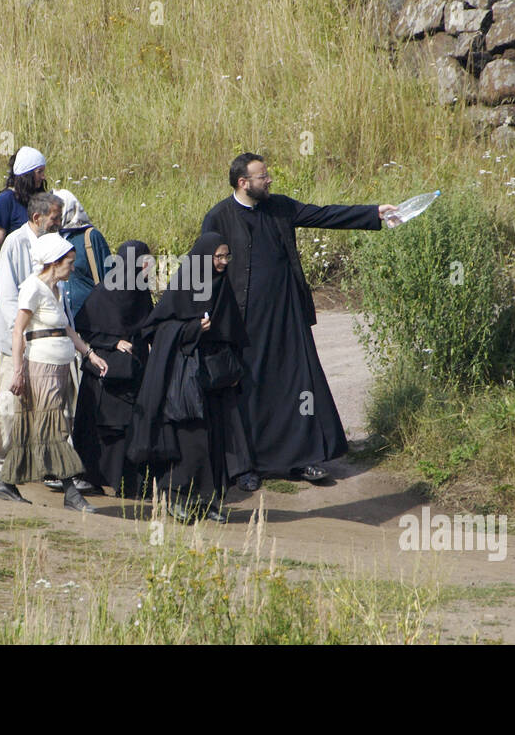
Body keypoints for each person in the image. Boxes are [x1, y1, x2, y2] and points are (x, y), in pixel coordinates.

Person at [201, 153, 398, 490]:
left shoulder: (280, 207)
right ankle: (248, 466)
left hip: (286, 315)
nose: (269, 180)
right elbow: (205, 264)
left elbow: (324, 214)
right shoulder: (219, 217)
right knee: (247, 390)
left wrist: (373, 213)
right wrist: (204, 311)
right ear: (242, 182)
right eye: (262, 176)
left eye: (267, 174)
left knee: (296, 385)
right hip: (244, 322)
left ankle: (302, 460)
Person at [128, 233, 252, 521]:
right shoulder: (185, 285)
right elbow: (158, 329)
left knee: (215, 439)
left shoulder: (222, 287)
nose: (222, 262)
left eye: (226, 256)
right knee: (189, 439)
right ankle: (176, 498)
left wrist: (234, 370)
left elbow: (234, 333)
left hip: (215, 380)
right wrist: (193, 328)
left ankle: (209, 501)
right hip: (184, 377)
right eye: (218, 256)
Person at [0, 232, 110, 512]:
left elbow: (67, 328)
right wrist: (18, 371)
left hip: (58, 366)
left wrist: (90, 353)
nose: (73, 267)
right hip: (40, 366)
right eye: (69, 263)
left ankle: (6, 484)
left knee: (32, 425)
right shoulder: (32, 288)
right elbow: (18, 331)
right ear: (53, 263)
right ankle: (71, 492)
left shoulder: (56, 290)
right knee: (53, 426)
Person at [0, 190, 63, 479]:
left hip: (48, 343)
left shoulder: (55, 245)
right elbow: (6, 299)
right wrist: (22, 339)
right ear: (37, 217)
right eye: (54, 219)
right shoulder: (15, 245)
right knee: (9, 402)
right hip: (18, 342)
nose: (58, 223)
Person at [72, 240, 154, 497]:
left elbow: (147, 325)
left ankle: (127, 483)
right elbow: (84, 327)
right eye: (143, 262)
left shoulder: (140, 292)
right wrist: (113, 341)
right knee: (101, 430)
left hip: (133, 375)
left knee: (127, 430)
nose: (148, 267)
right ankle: (91, 477)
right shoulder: (104, 292)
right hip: (105, 375)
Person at [0, 146, 47, 307]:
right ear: (27, 174)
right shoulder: (5, 201)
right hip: (14, 274)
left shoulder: (39, 201)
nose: (43, 177)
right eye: (39, 172)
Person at [55, 189, 112, 321]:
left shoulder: (90, 237)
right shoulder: (50, 240)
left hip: (92, 322)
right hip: (61, 322)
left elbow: (108, 278)